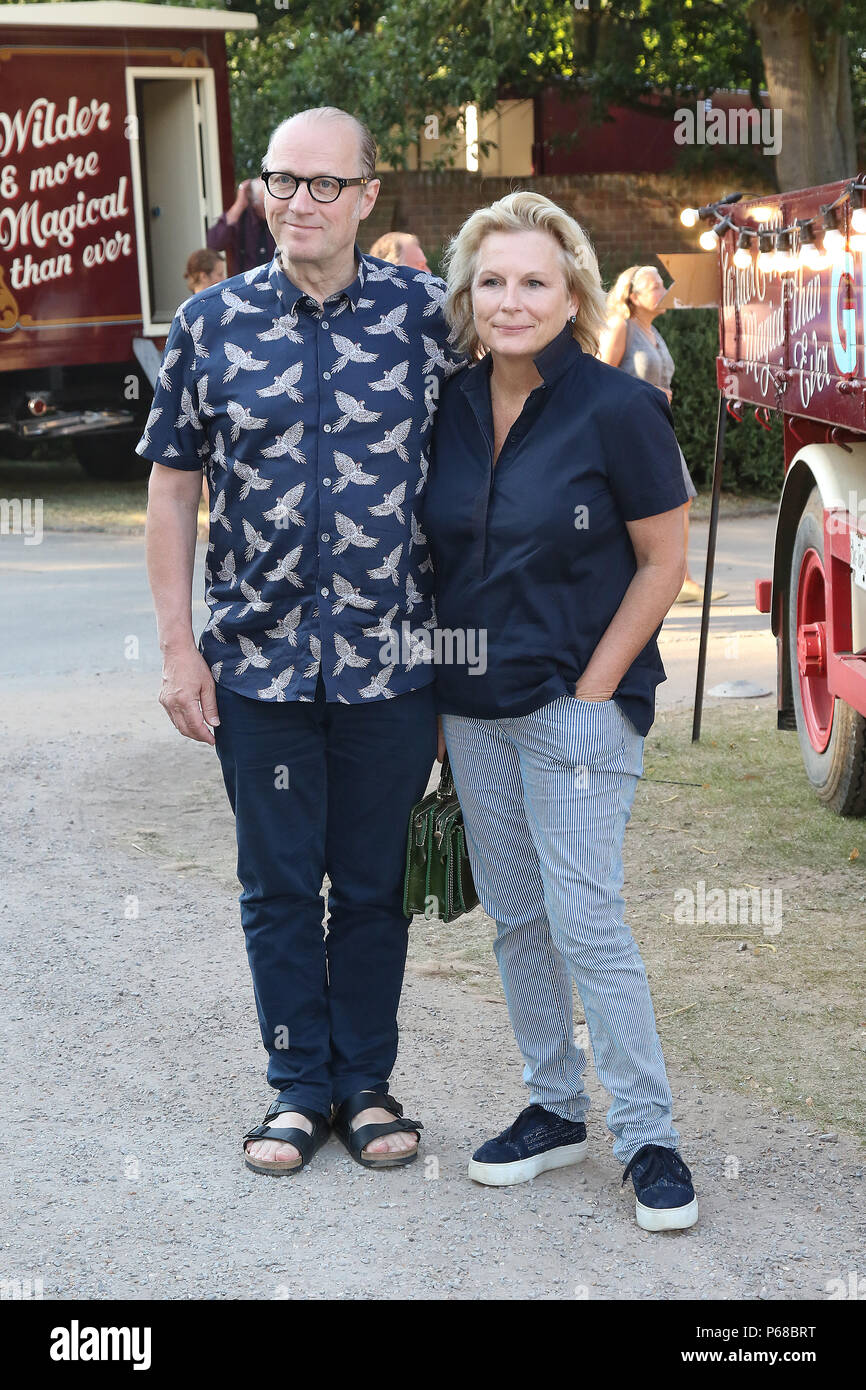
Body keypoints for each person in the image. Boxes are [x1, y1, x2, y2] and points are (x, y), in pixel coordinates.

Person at [137, 106, 465, 1178]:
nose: (302, 203)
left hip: (391, 669)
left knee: (372, 885)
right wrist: (179, 646)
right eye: (283, 180)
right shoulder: (211, 322)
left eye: (327, 184)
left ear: (369, 197)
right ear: (261, 191)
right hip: (260, 668)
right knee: (278, 888)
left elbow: (485, 481)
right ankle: (295, 1087)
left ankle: (363, 1085)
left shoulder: (432, 320)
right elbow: (173, 487)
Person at [422, 191, 699, 1231]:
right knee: (517, 916)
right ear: (467, 296)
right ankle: (551, 1107)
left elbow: (662, 560)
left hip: (577, 706)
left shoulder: (617, 407)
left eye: (532, 280)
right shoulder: (445, 405)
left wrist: (592, 690)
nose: (509, 300)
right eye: (490, 281)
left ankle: (647, 1135)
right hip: (471, 708)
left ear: (572, 290)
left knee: (586, 919)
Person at [598, 264, 725, 605]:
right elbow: (599, 379)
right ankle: (662, 577)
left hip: (658, 427)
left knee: (680, 499)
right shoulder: (621, 326)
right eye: (653, 285)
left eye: (661, 283)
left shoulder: (653, 330)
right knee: (659, 502)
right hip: (630, 430)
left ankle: (680, 578)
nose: (662, 290)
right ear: (633, 296)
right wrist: (647, 394)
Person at [207, 177, 276, 275]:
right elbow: (214, 244)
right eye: (265, 205)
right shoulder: (242, 219)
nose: (271, 209)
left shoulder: (280, 217)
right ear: (254, 203)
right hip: (247, 284)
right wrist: (239, 205)